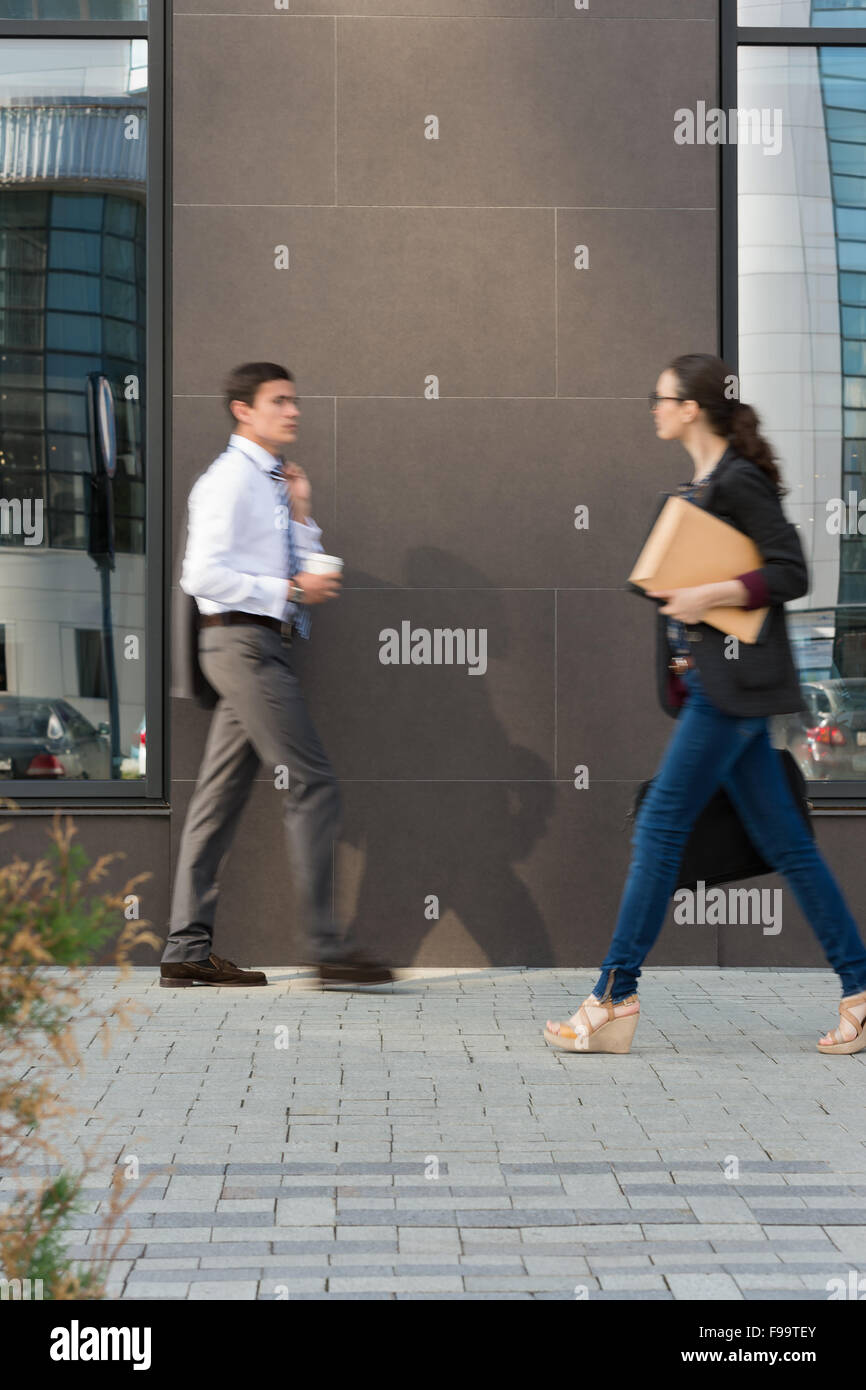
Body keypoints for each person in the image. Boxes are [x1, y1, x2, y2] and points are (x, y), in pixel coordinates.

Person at [544, 353, 866, 1056]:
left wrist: (705, 595)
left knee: (659, 830)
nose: (653, 407)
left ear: (692, 407)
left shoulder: (740, 481)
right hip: (724, 693)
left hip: (730, 693)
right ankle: (861, 990)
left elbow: (789, 571)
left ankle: (612, 996)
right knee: (789, 846)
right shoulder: (700, 486)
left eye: (661, 397)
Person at [161, 361, 392, 989]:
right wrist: (287, 585)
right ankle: (327, 948)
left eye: (295, 400)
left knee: (217, 799)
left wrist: (304, 512)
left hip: (259, 645)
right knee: (313, 784)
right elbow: (199, 576)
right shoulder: (227, 481)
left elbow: (306, 568)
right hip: (241, 645)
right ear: (244, 409)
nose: (293, 411)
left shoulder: (272, 482)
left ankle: (185, 950)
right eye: (279, 400)